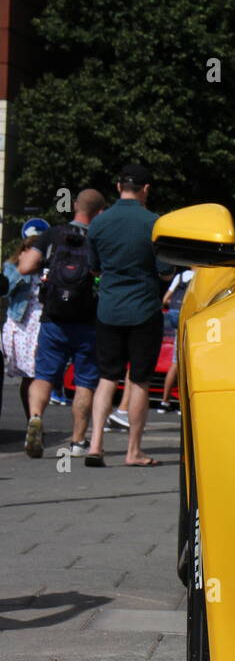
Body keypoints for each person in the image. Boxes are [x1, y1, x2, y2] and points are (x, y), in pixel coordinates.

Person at [85, 163, 173, 468]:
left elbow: (94, 268)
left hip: (108, 310)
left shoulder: (99, 223)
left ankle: (95, 444)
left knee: (106, 377)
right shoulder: (155, 223)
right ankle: (133, 451)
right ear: (146, 190)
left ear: (118, 187)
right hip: (144, 310)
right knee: (139, 380)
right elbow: (165, 272)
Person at [19, 189, 105, 459]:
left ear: (76, 205)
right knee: (85, 382)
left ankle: (35, 417)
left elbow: (25, 267)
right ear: (100, 212)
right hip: (88, 321)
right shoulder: (99, 238)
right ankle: (78, 442)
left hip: (54, 318)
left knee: (43, 375)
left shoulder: (53, 235)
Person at [1, 236, 44, 420]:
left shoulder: (46, 270)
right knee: (29, 375)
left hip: (42, 324)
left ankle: (35, 418)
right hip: (22, 326)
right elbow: (6, 290)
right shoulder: (12, 268)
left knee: (40, 376)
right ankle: (32, 419)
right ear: (23, 251)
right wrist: (21, 270)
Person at [158, 268, 193, 412]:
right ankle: (176, 401)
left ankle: (165, 400)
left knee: (177, 358)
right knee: (180, 361)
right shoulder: (200, 277)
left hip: (173, 315)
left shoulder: (179, 276)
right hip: (186, 315)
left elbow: (165, 299)